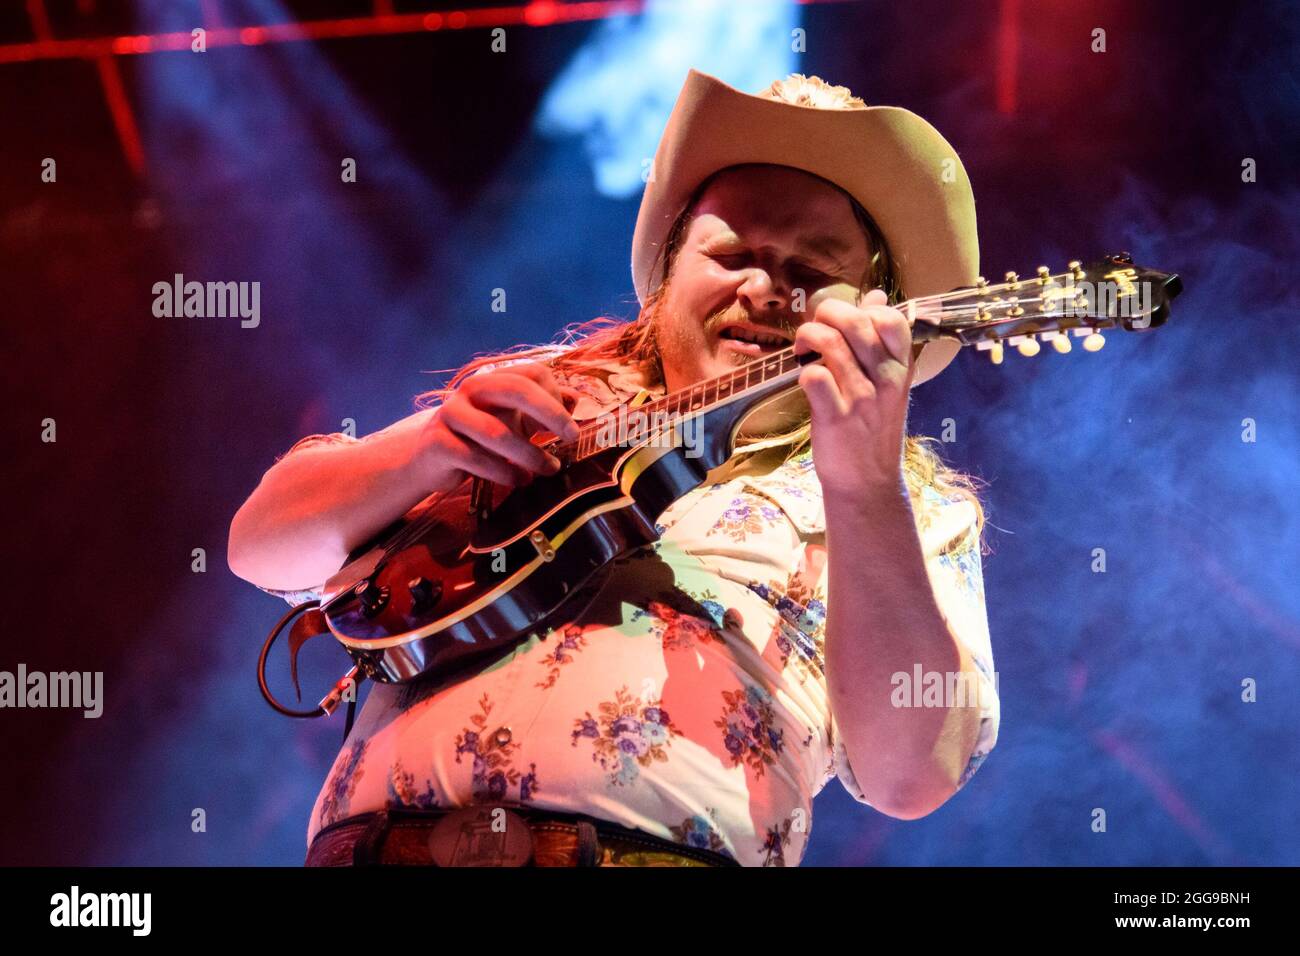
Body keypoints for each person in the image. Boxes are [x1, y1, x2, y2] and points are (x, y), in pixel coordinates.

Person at [228, 69, 1000, 867]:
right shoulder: (541, 397)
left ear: (876, 309)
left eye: (812, 274)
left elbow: (913, 778)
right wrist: (425, 448)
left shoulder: (914, 505)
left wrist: (864, 485)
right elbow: (261, 546)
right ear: (668, 274)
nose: (768, 289)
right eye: (732, 253)